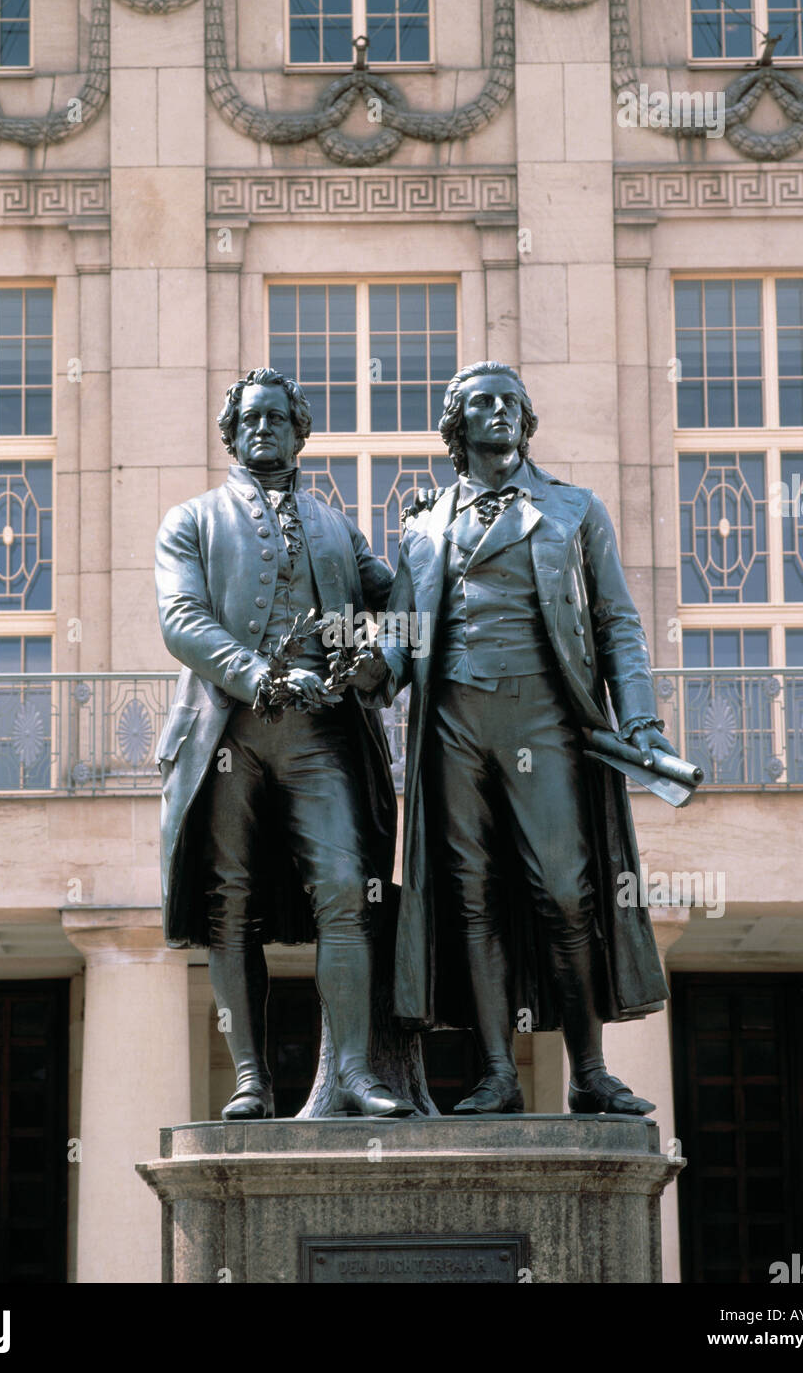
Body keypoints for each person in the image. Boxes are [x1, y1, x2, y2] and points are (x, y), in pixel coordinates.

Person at [356, 361, 676, 1116]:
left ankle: (589, 1071)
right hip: (454, 725)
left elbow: (617, 624)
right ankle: (498, 1072)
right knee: (471, 899)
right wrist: (373, 665)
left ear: (525, 422)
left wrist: (640, 720)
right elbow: (403, 634)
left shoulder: (573, 509)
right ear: (456, 424)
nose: (497, 412)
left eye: (510, 403)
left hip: (544, 718)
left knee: (565, 893)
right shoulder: (424, 527)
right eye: (480, 403)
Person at [154, 368, 410, 1119]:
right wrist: (258, 674)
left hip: (321, 735)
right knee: (228, 905)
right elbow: (181, 619)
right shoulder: (191, 520)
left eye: (276, 418)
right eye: (249, 419)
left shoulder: (336, 527)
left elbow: (399, 602)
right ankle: (250, 1080)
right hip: (225, 734)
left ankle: (355, 1076)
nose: (262, 428)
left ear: (300, 433)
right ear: (230, 435)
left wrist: (379, 659)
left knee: (344, 892)